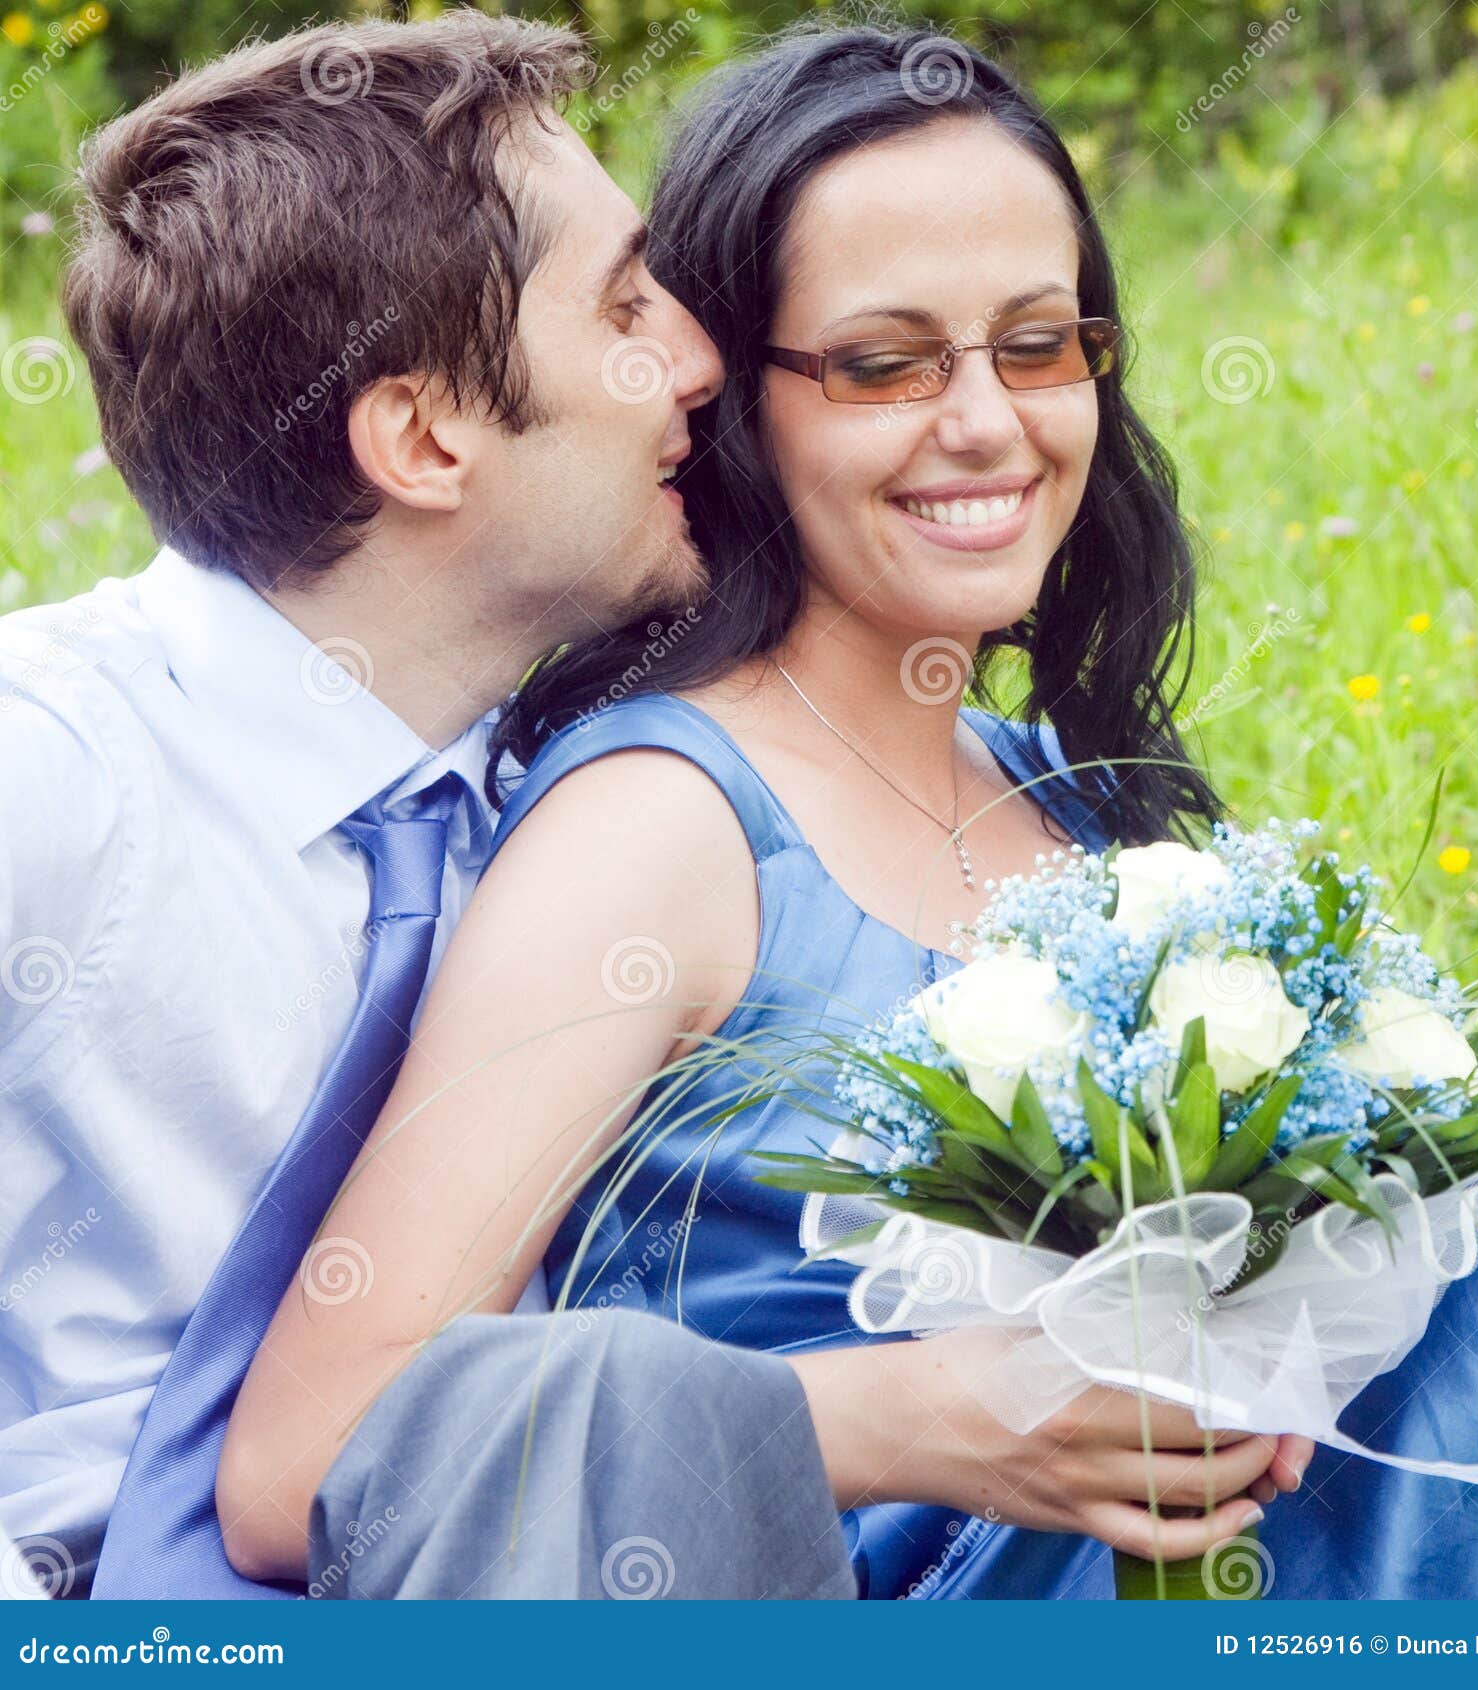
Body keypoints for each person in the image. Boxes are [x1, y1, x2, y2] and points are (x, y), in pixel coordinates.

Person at [221, 25, 1314, 1601]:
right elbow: (301, 1462)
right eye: (884, 362)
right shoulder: (663, 828)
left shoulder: (1075, 805)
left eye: (1039, 344)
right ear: (736, 404)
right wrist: (903, 1416)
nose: (990, 424)